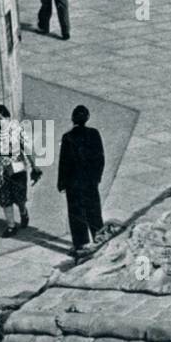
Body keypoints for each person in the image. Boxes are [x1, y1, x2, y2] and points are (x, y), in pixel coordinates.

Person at [57, 104, 106, 258]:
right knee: (94, 212)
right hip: (90, 182)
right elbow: (100, 158)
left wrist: (61, 182)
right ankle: (100, 242)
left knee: (76, 213)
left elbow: (63, 162)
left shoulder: (68, 137)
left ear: (73, 119)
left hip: (73, 184)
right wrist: (96, 177)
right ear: (87, 118)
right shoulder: (94, 134)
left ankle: (80, 245)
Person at [0, 104, 39, 237]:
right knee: (5, 199)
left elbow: (27, 148)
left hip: (17, 170)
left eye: (1, 118)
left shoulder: (17, 130)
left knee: (20, 198)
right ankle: (11, 226)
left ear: (7, 117)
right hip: (0, 172)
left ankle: (23, 212)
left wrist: (34, 166)